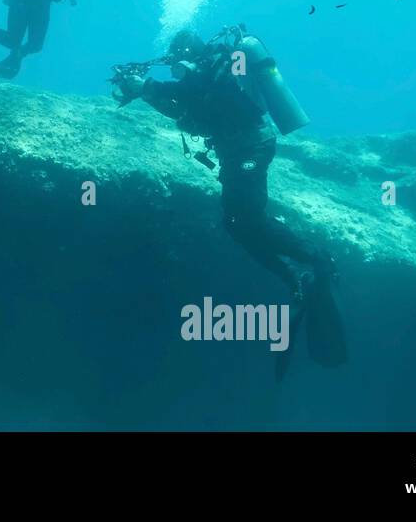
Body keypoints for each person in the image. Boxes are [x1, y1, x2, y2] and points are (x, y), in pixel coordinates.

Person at [112, 26, 345, 367]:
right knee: (237, 223)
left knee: (246, 218)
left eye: (179, 59)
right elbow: (184, 103)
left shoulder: (217, 70)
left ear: (189, 54)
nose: (178, 66)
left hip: (251, 148)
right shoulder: (207, 74)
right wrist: (145, 89)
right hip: (240, 151)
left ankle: (316, 258)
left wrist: (148, 87)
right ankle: (295, 277)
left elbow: (196, 99)